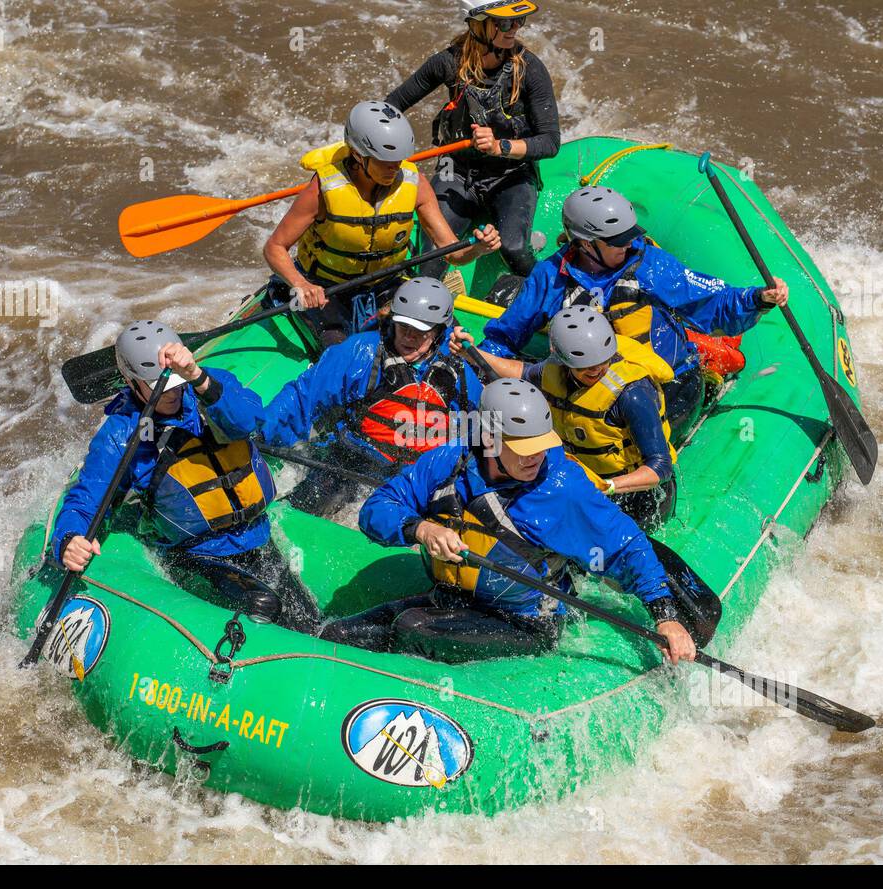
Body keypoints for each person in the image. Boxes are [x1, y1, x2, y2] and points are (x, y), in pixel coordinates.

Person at [318, 378, 697, 664]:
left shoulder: (562, 487)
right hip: (448, 602)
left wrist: (665, 617)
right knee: (337, 633)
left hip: (523, 622)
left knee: (408, 629)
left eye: (542, 444)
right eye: (524, 447)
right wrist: (420, 528)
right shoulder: (449, 462)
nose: (536, 457)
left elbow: (625, 547)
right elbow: (378, 507)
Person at [52, 321, 320, 632]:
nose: (171, 391)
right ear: (130, 380)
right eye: (158, 385)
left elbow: (249, 421)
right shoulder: (123, 434)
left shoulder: (210, 387)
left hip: (256, 536)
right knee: (265, 606)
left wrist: (198, 378)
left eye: (176, 380)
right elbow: (87, 500)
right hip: (198, 556)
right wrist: (68, 539)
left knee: (309, 619)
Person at [478, 185, 790, 432]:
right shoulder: (550, 276)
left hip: (666, 391)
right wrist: (474, 368)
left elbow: (716, 305)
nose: (627, 245)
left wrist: (758, 298)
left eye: (629, 237)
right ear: (585, 243)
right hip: (585, 390)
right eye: (616, 241)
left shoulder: (650, 266)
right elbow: (503, 340)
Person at [263, 100, 500, 357]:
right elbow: (274, 247)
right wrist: (300, 284)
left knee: (444, 333)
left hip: (385, 282)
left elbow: (453, 253)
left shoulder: (416, 184)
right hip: (328, 287)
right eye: (385, 161)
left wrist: (479, 248)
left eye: (398, 160)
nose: (394, 168)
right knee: (342, 353)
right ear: (357, 155)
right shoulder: (322, 190)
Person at [261, 277, 486, 518]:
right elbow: (302, 398)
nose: (409, 337)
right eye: (403, 327)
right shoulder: (361, 351)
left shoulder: (458, 371)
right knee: (303, 508)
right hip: (353, 463)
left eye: (420, 331)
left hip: (419, 478)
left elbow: (477, 433)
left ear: (439, 331)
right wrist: (261, 439)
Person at [454, 305, 678, 529]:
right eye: (584, 366)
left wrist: (607, 486)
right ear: (563, 359)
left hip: (636, 497)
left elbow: (661, 466)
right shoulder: (556, 370)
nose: (595, 370)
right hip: (583, 482)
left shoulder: (632, 395)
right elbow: (522, 373)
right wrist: (473, 354)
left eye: (602, 362)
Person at [386, 0, 559, 283]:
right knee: (430, 262)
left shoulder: (530, 69)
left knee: (514, 249)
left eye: (519, 21)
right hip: (456, 172)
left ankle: (549, 292)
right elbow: (392, 105)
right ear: (478, 24)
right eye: (505, 23)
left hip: (512, 174)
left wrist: (500, 147)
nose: (515, 28)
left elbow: (550, 142)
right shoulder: (447, 63)